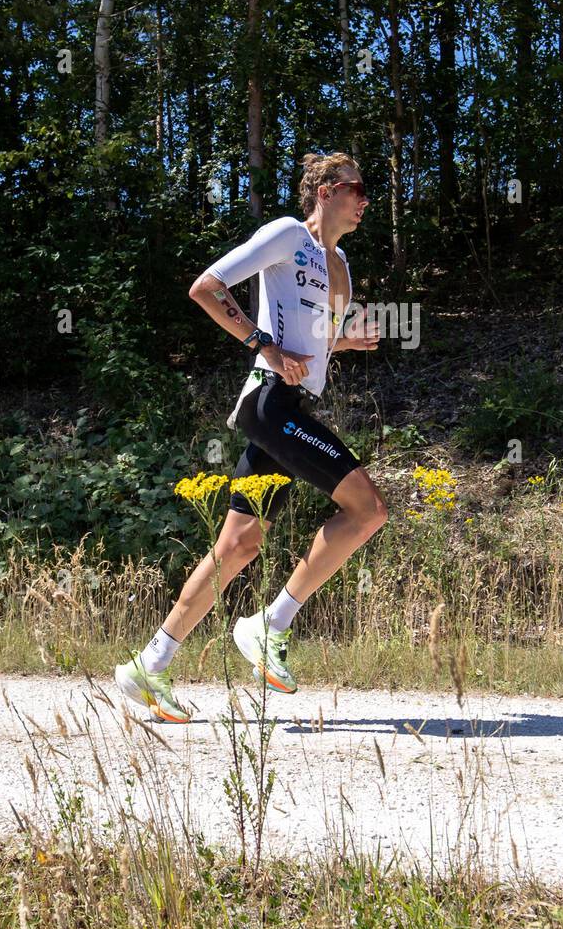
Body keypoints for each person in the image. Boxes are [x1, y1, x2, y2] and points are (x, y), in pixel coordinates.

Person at [115, 152, 387, 721]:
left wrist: (343, 344)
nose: (366, 200)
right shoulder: (287, 234)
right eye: (359, 189)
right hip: (269, 402)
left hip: (289, 404)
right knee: (367, 510)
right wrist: (262, 344)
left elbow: (310, 347)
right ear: (328, 190)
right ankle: (271, 623)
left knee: (239, 545)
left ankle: (149, 664)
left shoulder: (341, 268)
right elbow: (206, 288)